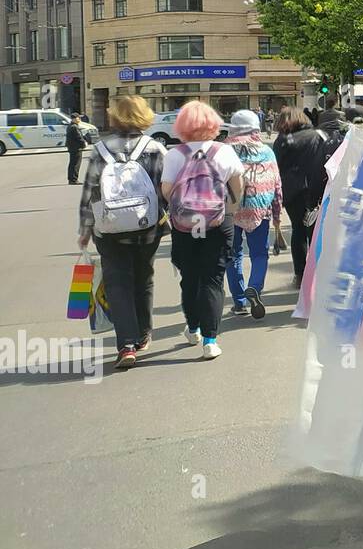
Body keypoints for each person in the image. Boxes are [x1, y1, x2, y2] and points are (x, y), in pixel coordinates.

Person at [77, 97, 168, 370]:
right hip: (148, 228)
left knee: (117, 283)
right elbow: (166, 190)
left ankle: (126, 345)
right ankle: (143, 335)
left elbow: (90, 191)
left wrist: (84, 228)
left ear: (115, 118)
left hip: (109, 229)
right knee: (144, 278)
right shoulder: (155, 148)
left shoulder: (100, 150)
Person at [161, 101, 244, 360]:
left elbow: (166, 189)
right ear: (213, 123)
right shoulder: (224, 151)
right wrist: (227, 210)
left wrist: (182, 208)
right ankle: (210, 340)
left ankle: (193, 327)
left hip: (184, 225)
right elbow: (238, 187)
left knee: (190, 277)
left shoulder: (175, 154)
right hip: (218, 223)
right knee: (212, 279)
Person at [224, 109, 283, 320]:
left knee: (233, 254)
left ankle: (239, 301)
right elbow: (277, 185)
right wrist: (276, 215)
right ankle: (255, 287)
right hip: (260, 208)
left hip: (229, 210)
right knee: (259, 254)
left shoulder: (224, 150)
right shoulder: (267, 152)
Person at [273, 107, 328, 287]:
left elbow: (276, 166)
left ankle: (300, 273)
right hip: (315, 188)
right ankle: (318, 271)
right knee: (315, 231)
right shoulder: (317, 136)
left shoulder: (282, 140)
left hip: (291, 190)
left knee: (298, 230)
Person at [65, 113, 87, 184]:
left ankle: (71, 179)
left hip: (72, 147)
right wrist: (84, 144)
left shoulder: (70, 126)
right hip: (76, 148)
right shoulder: (74, 127)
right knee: (76, 164)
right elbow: (79, 137)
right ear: (74, 119)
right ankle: (74, 179)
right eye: (78, 118)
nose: (79, 119)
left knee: (72, 163)